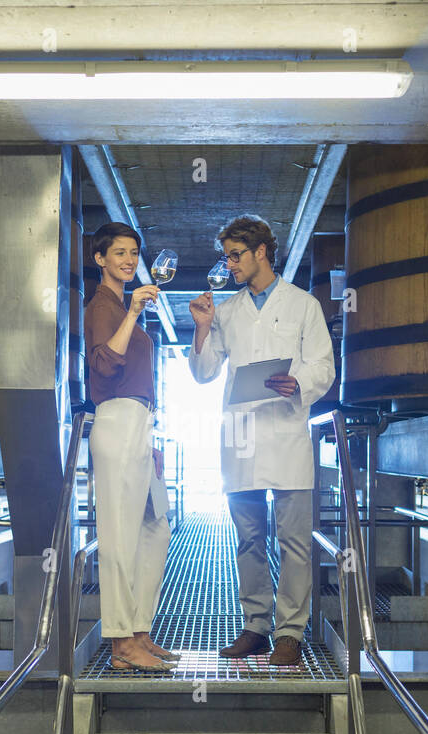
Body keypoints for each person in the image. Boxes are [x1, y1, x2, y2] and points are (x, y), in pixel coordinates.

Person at [188, 214, 336, 666]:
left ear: (261, 253)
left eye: (236, 255)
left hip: (287, 431)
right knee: (249, 539)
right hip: (242, 438)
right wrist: (200, 325)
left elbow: (324, 368)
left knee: (294, 541)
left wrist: (298, 382)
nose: (229, 264)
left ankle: (290, 631)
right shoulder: (226, 311)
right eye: (226, 256)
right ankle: (256, 625)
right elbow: (203, 372)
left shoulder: (303, 305)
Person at [84, 222, 178, 672]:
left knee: (156, 526)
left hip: (140, 426)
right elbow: (104, 364)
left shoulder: (121, 305)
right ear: (99, 259)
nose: (128, 260)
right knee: (119, 537)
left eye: (134, 253)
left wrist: (152, 439)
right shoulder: (102, 306)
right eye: (118, 252)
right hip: (116, 421)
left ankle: (140, 630)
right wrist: (133, 313)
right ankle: (121, 642)